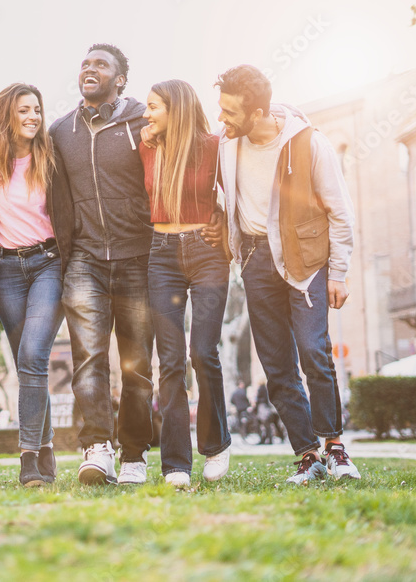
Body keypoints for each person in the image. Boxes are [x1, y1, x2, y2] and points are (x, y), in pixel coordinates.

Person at [210, 64, 360, 483]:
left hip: (306, 260)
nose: (221, 118)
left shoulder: (309, 143)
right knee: (277, 364)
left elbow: (341, 212)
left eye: (230, 112)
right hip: (257, 260)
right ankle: (307, 455)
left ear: (257, 113)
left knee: (313, 349)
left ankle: (335, 448)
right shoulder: (226, 144)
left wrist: (339, 272)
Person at [48, 43, 154, 485]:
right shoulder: (59, 131)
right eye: (86, 64)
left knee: (137, 364)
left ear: (121, 78)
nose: (90, 69)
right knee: (89, 360)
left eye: (101, 65)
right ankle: (97, 447)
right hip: (85, 260)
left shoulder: (145, 121)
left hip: (138, 258)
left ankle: (134, 455)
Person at [139, 79, 232, 487]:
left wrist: (225, 228)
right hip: (161, 255)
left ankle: (215, 445)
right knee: (170, 360)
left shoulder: (215, 147)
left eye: (154, 107)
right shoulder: (146, 148)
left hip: (206, 252)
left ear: (174, 109)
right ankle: (176, 463)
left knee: (203, 352)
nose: (147, 114)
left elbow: (240, 195)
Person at [0, 83, 70, 487]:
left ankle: (28, 457)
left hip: (48, 263)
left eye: (37, 109)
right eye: (23, 110)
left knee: (33, 354)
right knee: (26, 363)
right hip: (7, 272)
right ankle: (46, 446)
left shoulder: (51, 157)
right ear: (7, 116)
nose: (32, 116)